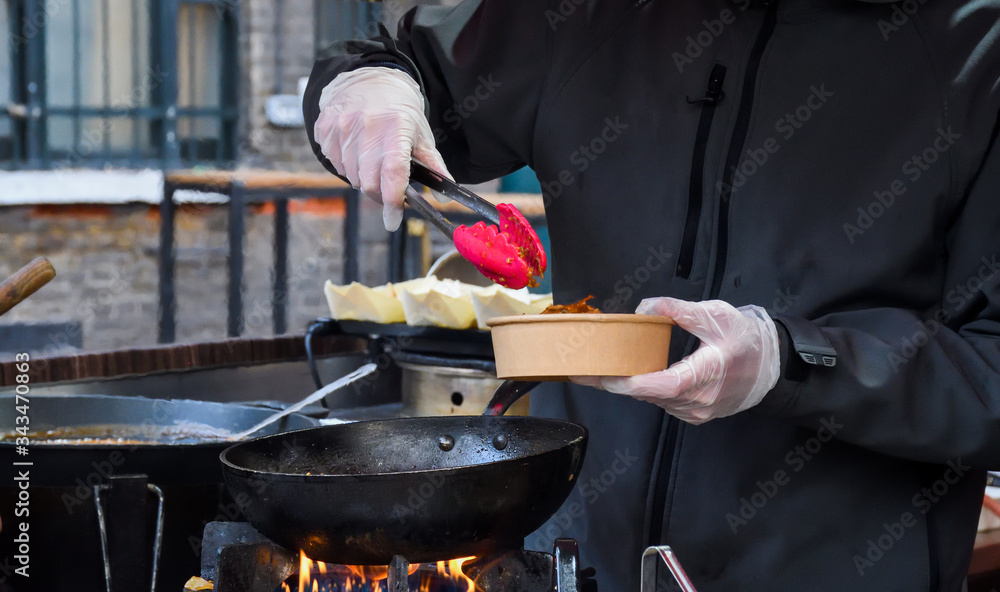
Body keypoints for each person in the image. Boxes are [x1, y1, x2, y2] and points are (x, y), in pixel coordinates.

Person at [302, 1, 1000, 590]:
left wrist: (788, 362)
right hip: (570, 558)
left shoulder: (977, 49)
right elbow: (403, 64)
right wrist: (365, 85)